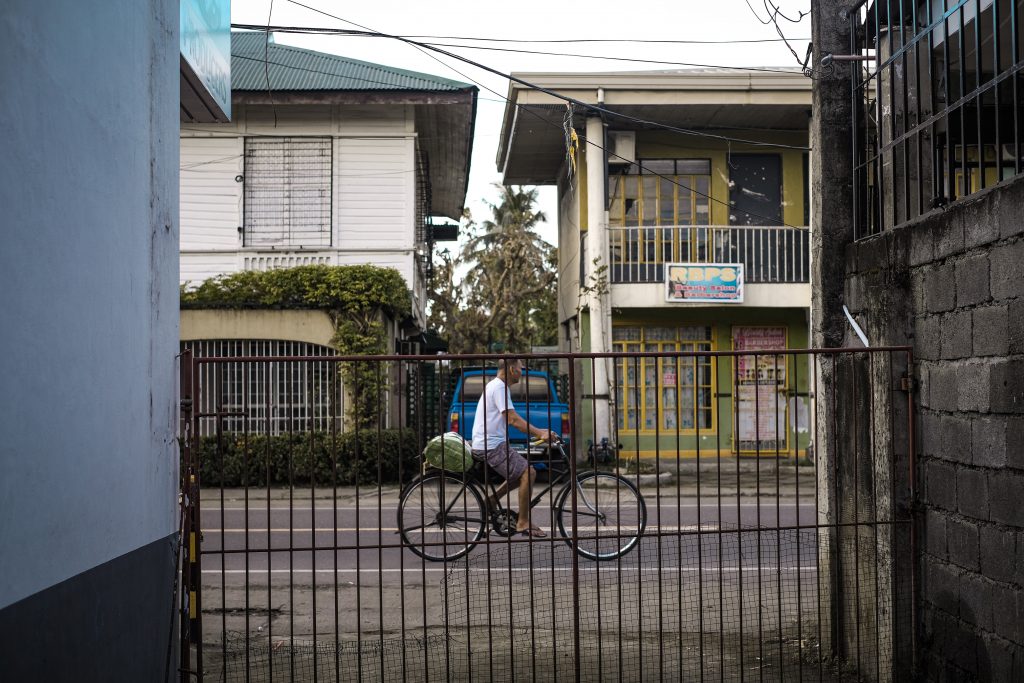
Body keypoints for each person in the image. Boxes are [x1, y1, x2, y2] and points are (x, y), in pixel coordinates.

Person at [471, 358, 555, 537]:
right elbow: (513, 419)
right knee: (528, 472)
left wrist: (540, 431)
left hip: (491, 443)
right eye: (520, 368)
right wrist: (539, 433)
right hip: (490, 445)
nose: (522, 371)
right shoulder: (499, 387)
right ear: (511, 369)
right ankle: (523, 522)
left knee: (521, 473)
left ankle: (492, 500)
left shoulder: (499, 386)